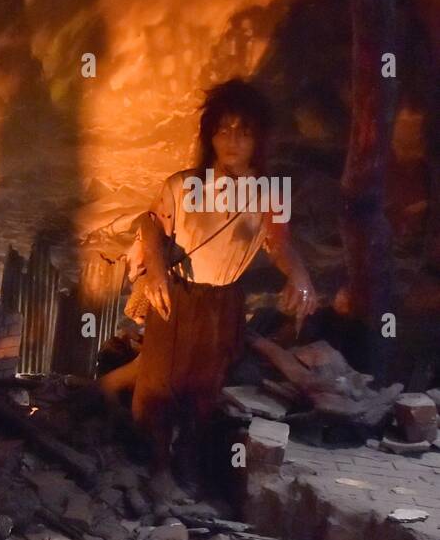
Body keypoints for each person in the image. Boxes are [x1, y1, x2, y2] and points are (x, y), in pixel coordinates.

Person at [131, 79, 316, 494]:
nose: (232, 140)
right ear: (210, 134)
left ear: (259, 139)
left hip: (223, 300)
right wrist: (157, 270)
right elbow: (148, 225)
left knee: (204, 388)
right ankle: (158, 469)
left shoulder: (268, 193)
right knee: (160, 384)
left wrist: (299, 274)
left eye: (244, 131)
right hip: (177, 297)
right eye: (224, 129)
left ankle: (189, 469)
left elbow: (279, 243)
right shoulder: (184, 186)